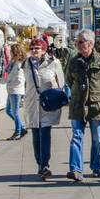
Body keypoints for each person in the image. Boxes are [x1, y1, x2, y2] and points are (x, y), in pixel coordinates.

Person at [65, 29, 100, 181]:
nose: (77, 45)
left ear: (90, 43)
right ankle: (75, 169)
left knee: (98, 139)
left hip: (96, 106)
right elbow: (68, 80)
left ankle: (96, 167)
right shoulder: (73, 62)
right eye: (77, 42)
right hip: (78, 105)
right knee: (76, 137)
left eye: (81, 42)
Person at [24, 37, 65, 179]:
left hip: (47, 103)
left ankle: (44, 165)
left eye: (37, 48)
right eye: (32, 48)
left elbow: (61, 83)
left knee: (45, 134)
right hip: (32, 103)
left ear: (44, 49)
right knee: (36, 135)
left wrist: (57, 96)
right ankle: (40, 164)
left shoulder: (54, 63)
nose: (34, 50)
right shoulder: (26, 63)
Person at [5, 41, 28, 140]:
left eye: (11, 51)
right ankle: (22, 128)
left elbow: (20, 78)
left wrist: (10, 82)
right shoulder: (13, 62)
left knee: (15, 112)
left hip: (16, 90)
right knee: (9, 110)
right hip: (12, 89)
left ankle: (18, 132)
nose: (10, 53)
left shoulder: (19, 64)